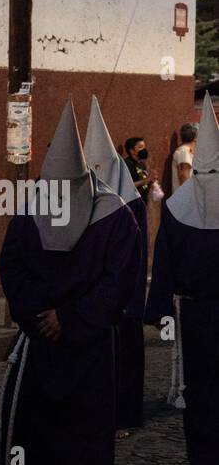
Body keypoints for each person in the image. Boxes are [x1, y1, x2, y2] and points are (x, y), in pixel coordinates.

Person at [0, 98, 139, 465]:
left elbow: (119, 280)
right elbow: (12, 265)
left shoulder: (113, 213)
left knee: (87, 420)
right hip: (44, 334)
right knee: (45, 418)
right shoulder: (30, 209)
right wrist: (37, 315)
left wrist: (72, 317)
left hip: (89, 338)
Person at [145, 93, 219, 465]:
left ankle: (205, 453)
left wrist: (159, 309)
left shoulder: (177, 207)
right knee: (199, 384)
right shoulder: (176, 208)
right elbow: (165, 262)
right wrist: (160, 309)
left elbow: (165, 262)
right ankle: (203, 453)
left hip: (193, 308)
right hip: (192, 308)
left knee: (204, 382)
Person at [85, 97, 148, 436]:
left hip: (123, 301)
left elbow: (136, 255)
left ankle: (123, 418)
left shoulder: (132, 206)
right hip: (92, 301)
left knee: (124, 362)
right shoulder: (81, 203)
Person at [122, 136, 154, 201]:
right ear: (132, 151)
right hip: (134, 201)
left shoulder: (141, 163)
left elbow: (146, 179)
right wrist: (145, 181)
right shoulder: (127, 164)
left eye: (144, 147)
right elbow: (127, 185)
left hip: (144, 200)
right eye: (140, 147)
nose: (144, 150)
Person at [173, 122, 197, 188]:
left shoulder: (186, 150)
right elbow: (184, 176)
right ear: (195, 138)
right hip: (185, 196)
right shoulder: (184, 151)